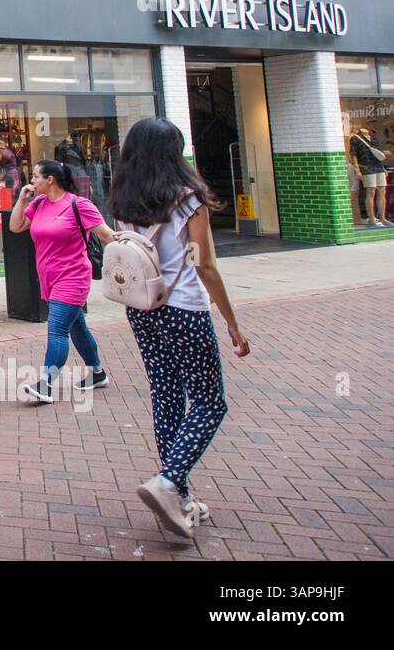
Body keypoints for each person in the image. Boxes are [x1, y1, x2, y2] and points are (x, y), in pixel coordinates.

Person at [108, 116, 251, 540]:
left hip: (142, 306)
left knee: (166, 393)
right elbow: (205, 265)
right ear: (174, 152)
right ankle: (168, 482)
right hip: (185, 308)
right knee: (209, 402)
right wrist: (232, 322)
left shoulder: (123, 196)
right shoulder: (188, 198)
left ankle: (179, 501)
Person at [9, 159, 116, 402]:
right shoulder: (38, 203)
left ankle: (46, 384)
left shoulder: (79, 205)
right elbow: (16, 227)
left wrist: (135, 254)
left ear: (50, 180)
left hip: (73, 276)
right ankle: (97, 373)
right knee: (77, 326)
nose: (32, 180)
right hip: (49, 277)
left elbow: (107, 235)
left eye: (36, 176)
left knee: (57, 329)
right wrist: (22, 200)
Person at [350, 127, 389, 227]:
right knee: (371, 192)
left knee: (382, 191)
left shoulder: (374, 138)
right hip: (366, 166)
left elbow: (377, 154)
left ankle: (382, 218)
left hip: (378, 166)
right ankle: (371, 219)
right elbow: (353, 154)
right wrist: (357, 169)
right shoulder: (355, 138)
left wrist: (383, 168)